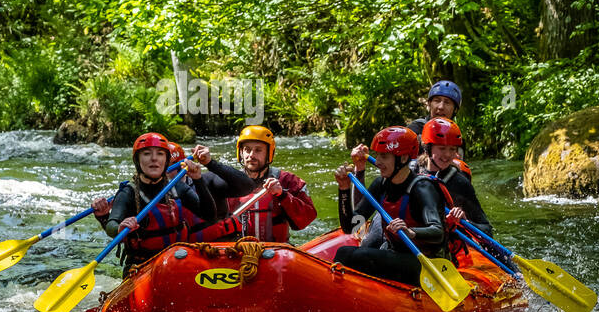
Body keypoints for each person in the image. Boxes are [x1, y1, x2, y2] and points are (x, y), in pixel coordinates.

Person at [333, 126, 463, 284]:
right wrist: (344, 189)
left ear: (402, 159)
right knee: (347, 254)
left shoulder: (422, 188)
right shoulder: (381, 184)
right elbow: (351, 227)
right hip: (397, 254)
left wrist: (411, 232)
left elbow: (438, 232)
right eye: (378, 156)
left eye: (384, 156)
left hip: (428, 263)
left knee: (345, 254)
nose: (378, 162)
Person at [90, 132, 215, 270]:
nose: (154, 159)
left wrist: (198, 179)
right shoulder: (128, 193)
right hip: (142, 267)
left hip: (177, 262)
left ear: (166, 160)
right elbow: (111, 225)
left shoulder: (177, 187)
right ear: (138, 160)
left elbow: (209, 215)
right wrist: (120, 228)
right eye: (147, 153)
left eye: (160, 154)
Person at [194, 126, 316, 243]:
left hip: (276, 252)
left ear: (269, 153)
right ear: (240, 152)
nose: (251, 155)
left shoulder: (288, 180)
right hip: (237, 251)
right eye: (247, 149)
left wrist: (282, 195)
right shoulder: (224, 183)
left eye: (258, 150)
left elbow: (307, 218)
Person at [421, 118, 493, 236]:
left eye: (452, 149)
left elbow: (487, 230)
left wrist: (464, 222)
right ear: (427, 148)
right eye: (442, 148)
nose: (448, 154)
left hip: (445, 245)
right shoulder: (411, 173)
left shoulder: (460, 182)